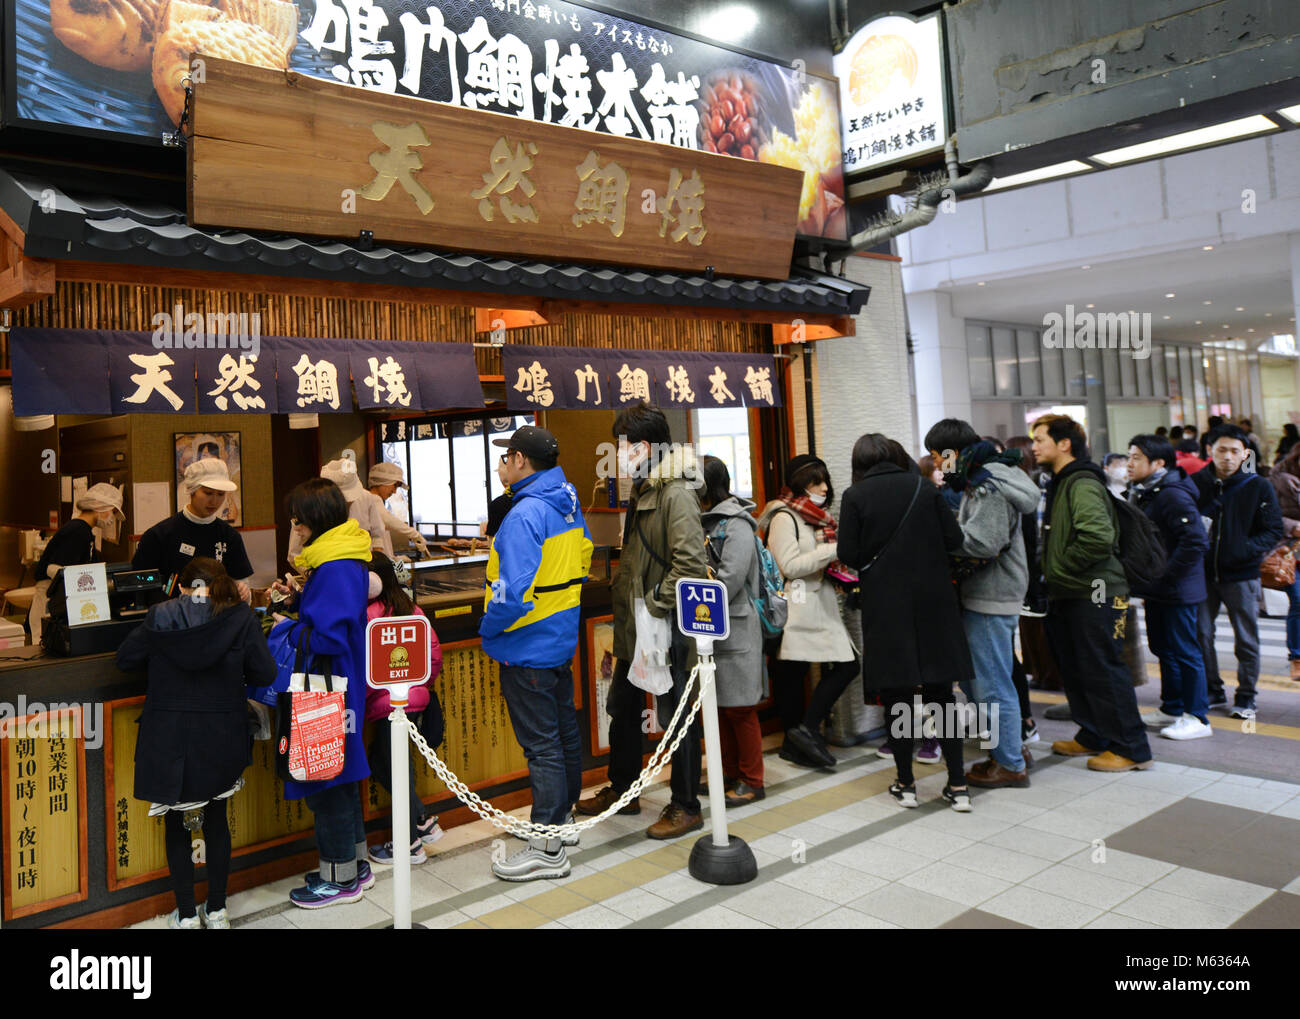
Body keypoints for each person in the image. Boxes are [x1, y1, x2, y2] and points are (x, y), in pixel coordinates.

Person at [116, 557, 275, 929]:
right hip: (222, 735)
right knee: (217, 821)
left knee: (176, 825)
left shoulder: (160, 615)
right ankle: (217, 910)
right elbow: (265, 672)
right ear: (222, 585)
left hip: (168, 735)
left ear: (182, 587)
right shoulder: (239, 618)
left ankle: (186, 915)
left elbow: (125, 660)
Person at [576, 403, 708, 840]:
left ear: (645, 447)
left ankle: (686, 805)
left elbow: (688, 564)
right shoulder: (645, 487)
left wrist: (653, 604)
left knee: (675, 718)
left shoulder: (676, 492)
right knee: (624, 708)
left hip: (665, 628)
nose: (618, 453)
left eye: (622, 445)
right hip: (636, 626)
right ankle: (624, 790)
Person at [479, 425, 593, 879]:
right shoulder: (567, 501)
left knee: (542, 745)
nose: (502, 464)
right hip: (560, 637)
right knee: (563, 734)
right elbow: (582, 559)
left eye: (505, 457)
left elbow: (510, 593)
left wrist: (488, 627)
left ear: (521, 461)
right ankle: (561, 824)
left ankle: (547, 846)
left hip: (526, 645)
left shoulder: (526, 514)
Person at [837, 433, 972, 811]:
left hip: (886, 605)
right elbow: (954, 538)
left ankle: (906, 783)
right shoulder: (923, 488)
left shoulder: (856, 496)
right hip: (934, 603)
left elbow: (847, 552)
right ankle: (958, 785)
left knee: (897, 696)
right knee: (941, 695)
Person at [269, 478, 373, 908]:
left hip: (326, 686)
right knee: (342, 774)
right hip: (344, 682)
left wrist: (288, 628)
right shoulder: (343, 555)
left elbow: (328, 638)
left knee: (324, 778)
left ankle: (338, 878)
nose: (295, 528)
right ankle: (355, 865)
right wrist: (299, 601)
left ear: (313, 520)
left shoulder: (333, 567)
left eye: (297, 520)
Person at [1032, 413, 1152, 772]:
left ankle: (1132, 748)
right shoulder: (1061, 481)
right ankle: (1094, 735)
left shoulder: (1081, 482)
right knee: (1077, 666)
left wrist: (1057, 569)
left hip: (1096, 590)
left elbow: (1098, 539)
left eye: (1040, 439)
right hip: (1072, 591)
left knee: (1102, 667)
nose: (1034, 446)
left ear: (1064, 443)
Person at [925, 419, 1040, 788]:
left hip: (991, 593)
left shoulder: (987, 484)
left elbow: (983, 543)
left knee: (991, 684)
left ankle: (1009, 764)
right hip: (993, 592)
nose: (937, 463)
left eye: (937, 455)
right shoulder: (989, 475)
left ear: (952, 453)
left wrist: (942, 540)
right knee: (986, 680)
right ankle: (1011, 750)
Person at [759, 454, 859, 770]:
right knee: (798, 672)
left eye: (824, 481)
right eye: (816, 482)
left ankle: (801, 735)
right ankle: (799, 736)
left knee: (842, 665)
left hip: (819, 602)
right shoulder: (783, 517)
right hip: (798, 605)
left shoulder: (818, 517)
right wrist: (833, 551)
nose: (824, 488)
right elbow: (787, 565)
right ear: (800, 484)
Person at [1192, 423, 1284, 719]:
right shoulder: (1195, 483)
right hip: (1202, 574)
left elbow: (1272, 530)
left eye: (1235, 451)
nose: (1228, 457)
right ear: (1209, 450)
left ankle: (1246, 696)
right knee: (1201, 634)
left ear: (1245, 453)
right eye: (1222, 450)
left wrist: (1243, 550)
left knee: (1246, 637)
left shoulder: (1259, 486)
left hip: (1242, 575)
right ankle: (1212, 689)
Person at [1125, 435, 1212, 740]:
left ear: (1158, 463)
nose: (1129, 463)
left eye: (1136, 457)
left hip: (1177, 589)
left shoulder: (1172, 495)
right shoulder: (1147, 492)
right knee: (1164, 649)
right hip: (1159, 588)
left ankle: (1198, 717)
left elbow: (1195, 541)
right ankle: (1172, 708)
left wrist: (1165, 576)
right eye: (1129, 456)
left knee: (1185, 651)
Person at [365, 552, 444, 866]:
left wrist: (369, 698)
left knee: (390, 765)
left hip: (387, 704)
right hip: (413, 701)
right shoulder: (411, 608)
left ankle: (411, 842)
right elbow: (433, 655)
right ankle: (420, 822)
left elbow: (367, 668)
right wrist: (420, 687)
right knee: (393, 763)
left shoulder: (367, 615)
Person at [699, 456, 765, 805]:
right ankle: (726, 773)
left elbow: (731, 579)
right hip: (710, 628)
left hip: (736, 625)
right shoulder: (703, 521)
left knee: (740, 707)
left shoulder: (737, 524)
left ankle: (753, 779)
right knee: (719, 705)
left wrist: (699, 599)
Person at [133, 459, 253, 601]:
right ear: (192, 491)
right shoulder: (160, 535)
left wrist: (244, 591)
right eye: (208, 493)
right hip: (172, 617)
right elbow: (138, 583)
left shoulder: (229, 536)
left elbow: (240, 581)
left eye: (221, 494)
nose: (214, 501)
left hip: (217, 617)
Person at [30, 482, 124, 644]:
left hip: (58, 602)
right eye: (113, 512)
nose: (112, 519)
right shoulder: (76, 531)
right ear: (101, 507)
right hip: (48, 602)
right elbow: (53, 569)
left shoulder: (85, 532)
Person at [288, 458, 389, 565]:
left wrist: (375, 564)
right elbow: (294, 555)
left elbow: (377, 535)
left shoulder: (366, 498)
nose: (347, 502)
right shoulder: (311, 509)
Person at [1269, 446, 1300, 680]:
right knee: (1299, 601)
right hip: (1290, 550)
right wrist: (1293, 526)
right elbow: (1267, 516)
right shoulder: (1279, 480)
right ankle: (1297, 658)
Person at [366, 463, 429, 558]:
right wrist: (413, 534)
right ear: (383, 481)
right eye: (395, 486)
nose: (394, 491)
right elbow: (387, 519)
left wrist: (394, 559)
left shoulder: (374, 501)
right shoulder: (372, 499)